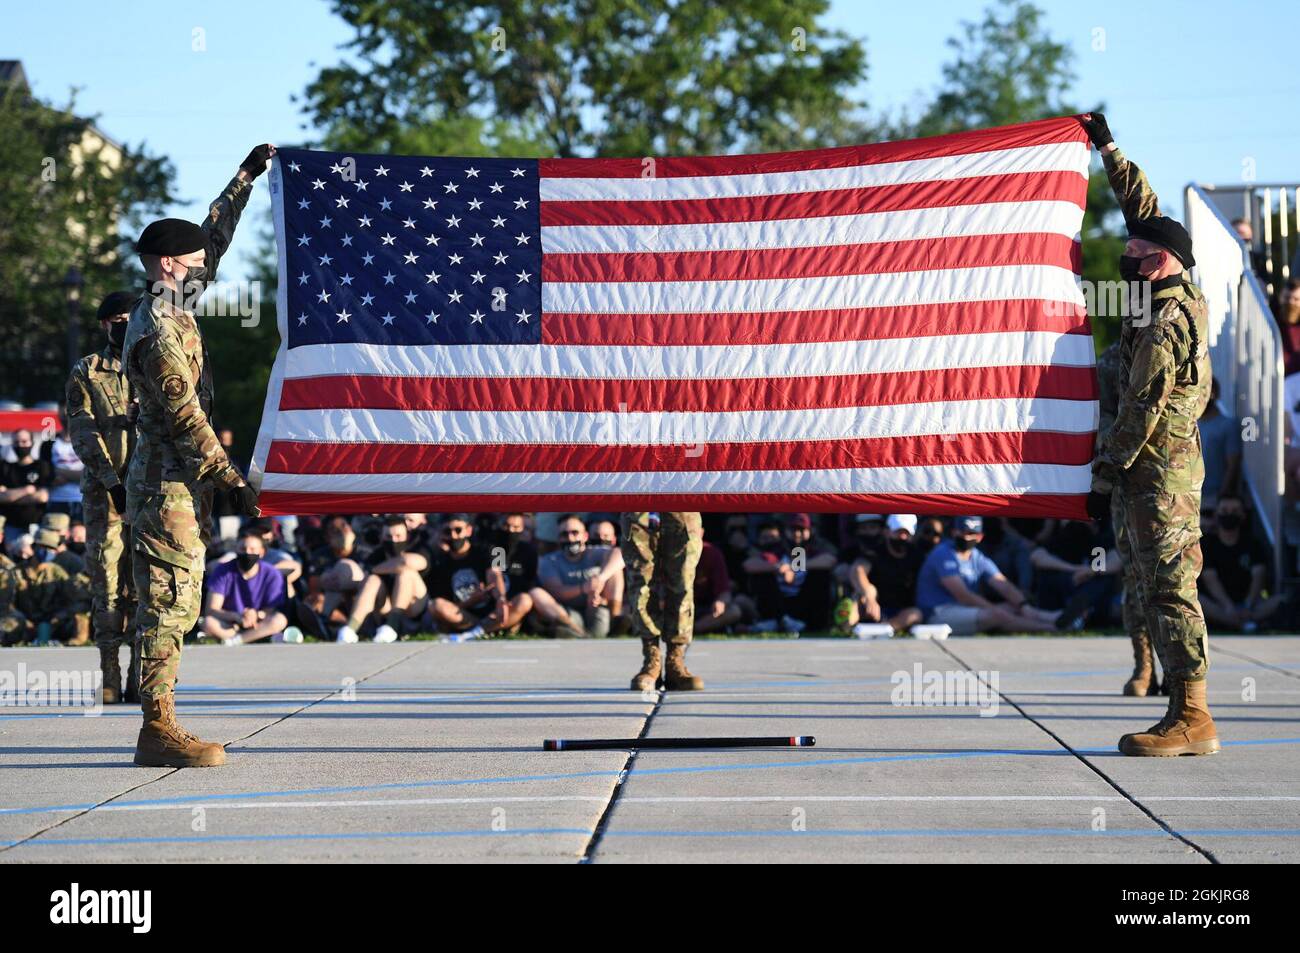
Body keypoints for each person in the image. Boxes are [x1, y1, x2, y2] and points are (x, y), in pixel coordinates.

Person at [123, 144, 272, 768]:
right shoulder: (159, 325)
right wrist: (229, 478)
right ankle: (158, 729)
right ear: (167, 264)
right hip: (168, 484)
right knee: (168, 597)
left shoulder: (176, 302)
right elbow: (185, 416)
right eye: (194, 261)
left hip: (182, 482)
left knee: (179, 597)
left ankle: (161, 719)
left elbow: (215, 236)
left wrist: (246, 179)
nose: (205, 264)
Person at [1083, 113, 1218, 756]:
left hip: (1156, 471)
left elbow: (1139, 408)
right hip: (1159, 470)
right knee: (1153, 581)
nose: (1125, 254)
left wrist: (1103, 471)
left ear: (1160, 260)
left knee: (1167, 583)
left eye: (1135, 252)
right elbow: (1147, 209)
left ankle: (1191, 716)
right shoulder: (1165, 284)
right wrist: (1107, 148)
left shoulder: (1164, 317)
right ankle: (1178, 705)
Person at [67, 290, 139, 703]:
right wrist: (113, 482)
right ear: (103, 324)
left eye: (129, 318)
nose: (123, 326)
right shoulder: (87, 370)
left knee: (143, 585)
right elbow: (83, 431)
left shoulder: (152, 362)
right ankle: (110, 674)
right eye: (116, 320)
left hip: (148, 492)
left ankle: (140, 676)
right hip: (104, 493)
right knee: (107, 581)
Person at [1097, 338, 1161, 696]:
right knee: (1134, 573)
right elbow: (1102, 412)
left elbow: (1195, 402)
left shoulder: (1180, 340)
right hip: (1126, 478)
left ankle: (1178, 672)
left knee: (1172, 575)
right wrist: (1118, 448)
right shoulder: (1111, 359)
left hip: (1169, 473)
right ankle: (1144, 665)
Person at [915, 517, 1064, 634]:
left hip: (965, 609)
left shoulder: (976, 556)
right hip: (938, 614)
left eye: (971, 534)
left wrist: (1024, 605)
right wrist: (992, 609)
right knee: (997, 615)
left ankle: (1054, 618)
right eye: (963, 532)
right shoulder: (943, 553)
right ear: (954, 532)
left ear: (980, 537)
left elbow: (1002, 584)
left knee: (1012, 607)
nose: (967, 538)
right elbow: (963, 595)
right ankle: (1051, 628)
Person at [620, 512, 704, 691]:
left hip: (681, 499)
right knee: (640, 582)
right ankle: (652, 659)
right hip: (638, 499)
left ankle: (676, 659)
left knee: (683, 581)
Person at [426, 513, 531, 640]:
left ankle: (476, 632)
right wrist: (471, 601)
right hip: (466, 616)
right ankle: (486, 630)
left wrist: (500, 599)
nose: (453, 536)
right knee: (436, 605)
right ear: (441, 534)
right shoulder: (440, 563)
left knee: (525, 600)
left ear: (469, 530)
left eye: (458, 530)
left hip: (493, 612)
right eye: (447, 531)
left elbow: (494, 574)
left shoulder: (485, 550)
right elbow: (448, 606)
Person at [335, 515, 435, 643]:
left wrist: (377, 569)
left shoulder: (419, 548)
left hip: (414, 613)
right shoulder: (376, 556)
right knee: (372, 580)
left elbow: (411, 562)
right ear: (382, 538)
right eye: (388, 536)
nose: (393, 540)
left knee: (406, 574)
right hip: (384, 613)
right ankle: (350, 630)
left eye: (398, 536)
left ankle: (392, 626)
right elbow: (366, 576)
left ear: (407, 536)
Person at [1198, 496, 1285, 631]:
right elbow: (1210, 579)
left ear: (1243, 515)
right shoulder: (1206, 544)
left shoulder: (1253, 543)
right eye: (1224, 510)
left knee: (1279, 600)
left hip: (1249, 604)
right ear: (1216, 514)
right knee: (1198, 600)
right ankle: (1241, 624)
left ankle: (1238, 621)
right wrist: (1228, 606)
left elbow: (1259, 577)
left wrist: (1248, 605)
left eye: (1234, 510)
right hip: (1219, 604)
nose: (1229, 514)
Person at [743, 514, 838, 632]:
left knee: (821, 576)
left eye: (801, 530)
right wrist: (777, 567)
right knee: (763, 575)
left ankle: (816, 624)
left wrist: (795, 567)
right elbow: (749, 565)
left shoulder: (814, 550)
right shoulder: (778, 550)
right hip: (780, 603)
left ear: (810, 531)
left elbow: (830, 561)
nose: (797, 534)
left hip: (804, 601)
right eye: (793, 530)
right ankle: (772, 621)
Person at [199, 527, 292, 644]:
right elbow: (212, 609)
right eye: (243, 548)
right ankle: (254, 637)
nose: (247, 553)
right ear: (236, 550)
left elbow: (271, 609)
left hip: (259, 622)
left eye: (253, 549)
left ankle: (236, 640)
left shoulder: (272, 574)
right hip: (231, 622)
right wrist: (237, 616)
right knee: (208, 623)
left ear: (262, 552)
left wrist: (255, 615)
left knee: (279, 620)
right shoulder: (222, 571)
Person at [532, 514, 617, 638]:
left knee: (615, 569)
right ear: (558, 538)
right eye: (564, 534)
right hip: (568, 613)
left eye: (575, 532)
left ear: (585, 536)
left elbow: (619, 554)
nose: (570, 538)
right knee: (536, 593)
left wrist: (600, 579)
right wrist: (584, 588)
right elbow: (557, 591)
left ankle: (616, 621)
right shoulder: (548, 560)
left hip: (595, 607)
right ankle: (578, 633)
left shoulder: (596, 552)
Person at [846, 514, 924, 633]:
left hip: (900, 611)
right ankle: (847, 627)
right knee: (861, 596)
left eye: (906, 533)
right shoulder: (875, 552)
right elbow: (858, 570)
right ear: (887, 532)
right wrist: (869, 596)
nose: (902, 537)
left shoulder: (917, 556)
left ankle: (882, 629)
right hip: (873, 606)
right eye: (898, 532)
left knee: (915, 614)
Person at [0, 429, 53, 533]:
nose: (20, 445)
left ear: (32, 443)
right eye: (16, 442)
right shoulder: (5, 468)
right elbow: (1, 498)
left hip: (36, 526)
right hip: (11, 526)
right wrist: (27, 490)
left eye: (24, 442)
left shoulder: (42, 467)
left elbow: (42, 497)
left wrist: (10, 497)